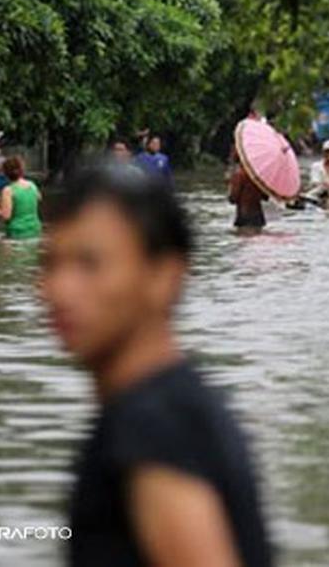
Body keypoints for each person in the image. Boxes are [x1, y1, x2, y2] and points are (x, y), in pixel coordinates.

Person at [40, 164, 271, 567]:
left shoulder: (155, 426)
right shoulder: (171, 407)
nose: (58, 289)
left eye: (90, 264)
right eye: (50, 264)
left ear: (165, 276)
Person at [0, 156, 42, 239]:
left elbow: (6, 216)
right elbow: (38, 198)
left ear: (5, 173)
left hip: (17, 232)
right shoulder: (32, 185)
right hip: (35, 229)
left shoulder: (8, 190)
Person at [228, 163, 267, 229]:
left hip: (244, 215)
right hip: (258, 216)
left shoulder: (239, 174)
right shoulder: (258, 175)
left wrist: (230, 184)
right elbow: (265, 196)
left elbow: (233, 198)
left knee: (244, 236)